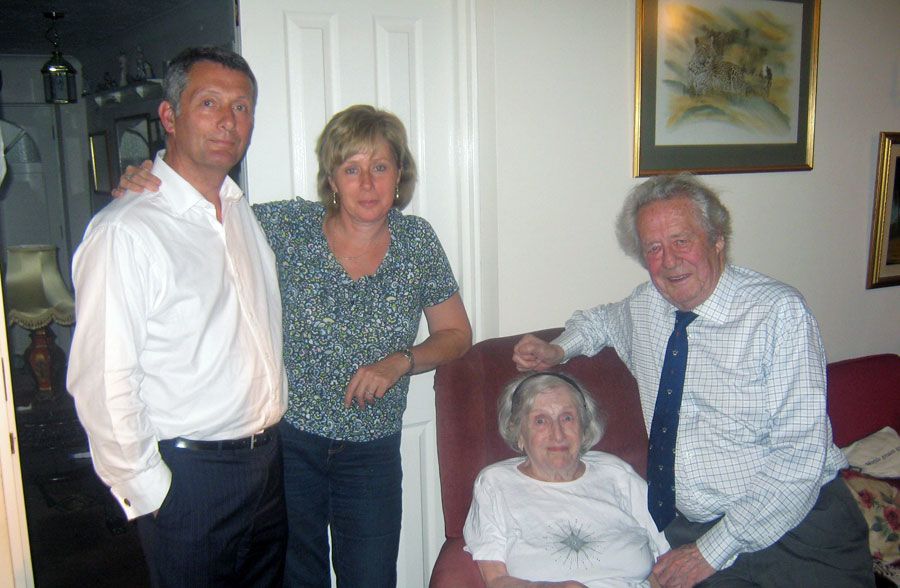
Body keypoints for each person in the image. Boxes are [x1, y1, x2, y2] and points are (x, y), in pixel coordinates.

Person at [116, 104, 473, 586]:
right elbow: (204, 208)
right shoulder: (286, 227)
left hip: (371, 452)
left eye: (380, 167)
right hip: (291, 445)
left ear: (399, 174)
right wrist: (150, 177)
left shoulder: (417, 241)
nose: (367, 184)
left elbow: (457, 335)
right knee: (296, 578)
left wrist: (400, 363)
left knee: (370, 578)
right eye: (352, 169)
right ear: (331, 178)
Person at [512, 174, 873, 587]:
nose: (669, 261)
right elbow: (599, 322)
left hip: (798, 529)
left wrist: (713, 551)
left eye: (682, 241)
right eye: (654, 248)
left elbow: (799, 459)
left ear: (717, 240)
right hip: (692, 529)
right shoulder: (647, 307)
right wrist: (559, 350)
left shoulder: (778, 314)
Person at [67, 46, 288, 586]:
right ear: (169, 116)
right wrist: (151, 493)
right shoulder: (127, 231)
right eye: (209, 102)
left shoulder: (242, 215)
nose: (228, 121)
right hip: (189, 478)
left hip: (266, 470)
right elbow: (103, 379)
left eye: (242, 107)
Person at [464, 372, 669, 588]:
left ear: (584, 427)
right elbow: (497, 580)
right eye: (540, 420)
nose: (558, 434)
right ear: (518, 433)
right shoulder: (495, 483)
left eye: (567, 418)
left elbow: (667, 557)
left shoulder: (616, 473)